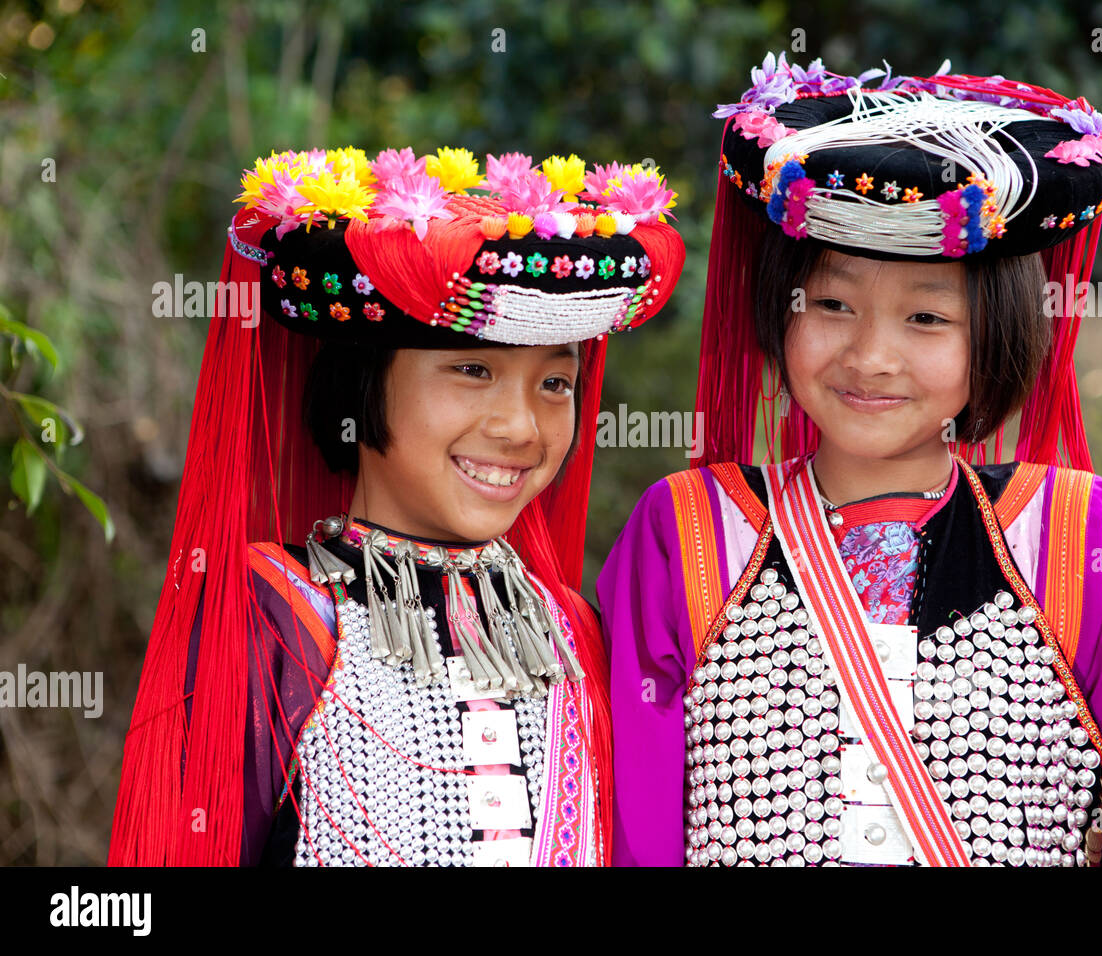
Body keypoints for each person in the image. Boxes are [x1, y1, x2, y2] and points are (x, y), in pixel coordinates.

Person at [598, 56, 1102, 867]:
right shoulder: (688, 531)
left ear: (997, 337)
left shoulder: (1074, 534)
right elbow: (636, 832)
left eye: (927, 316)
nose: (872, 356)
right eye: (832, 304)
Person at [109, 145, 683, 866]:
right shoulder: (276, 617)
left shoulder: (578, 635)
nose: (521, 428)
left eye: (556, 385)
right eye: (473, 370)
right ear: (360, 383)